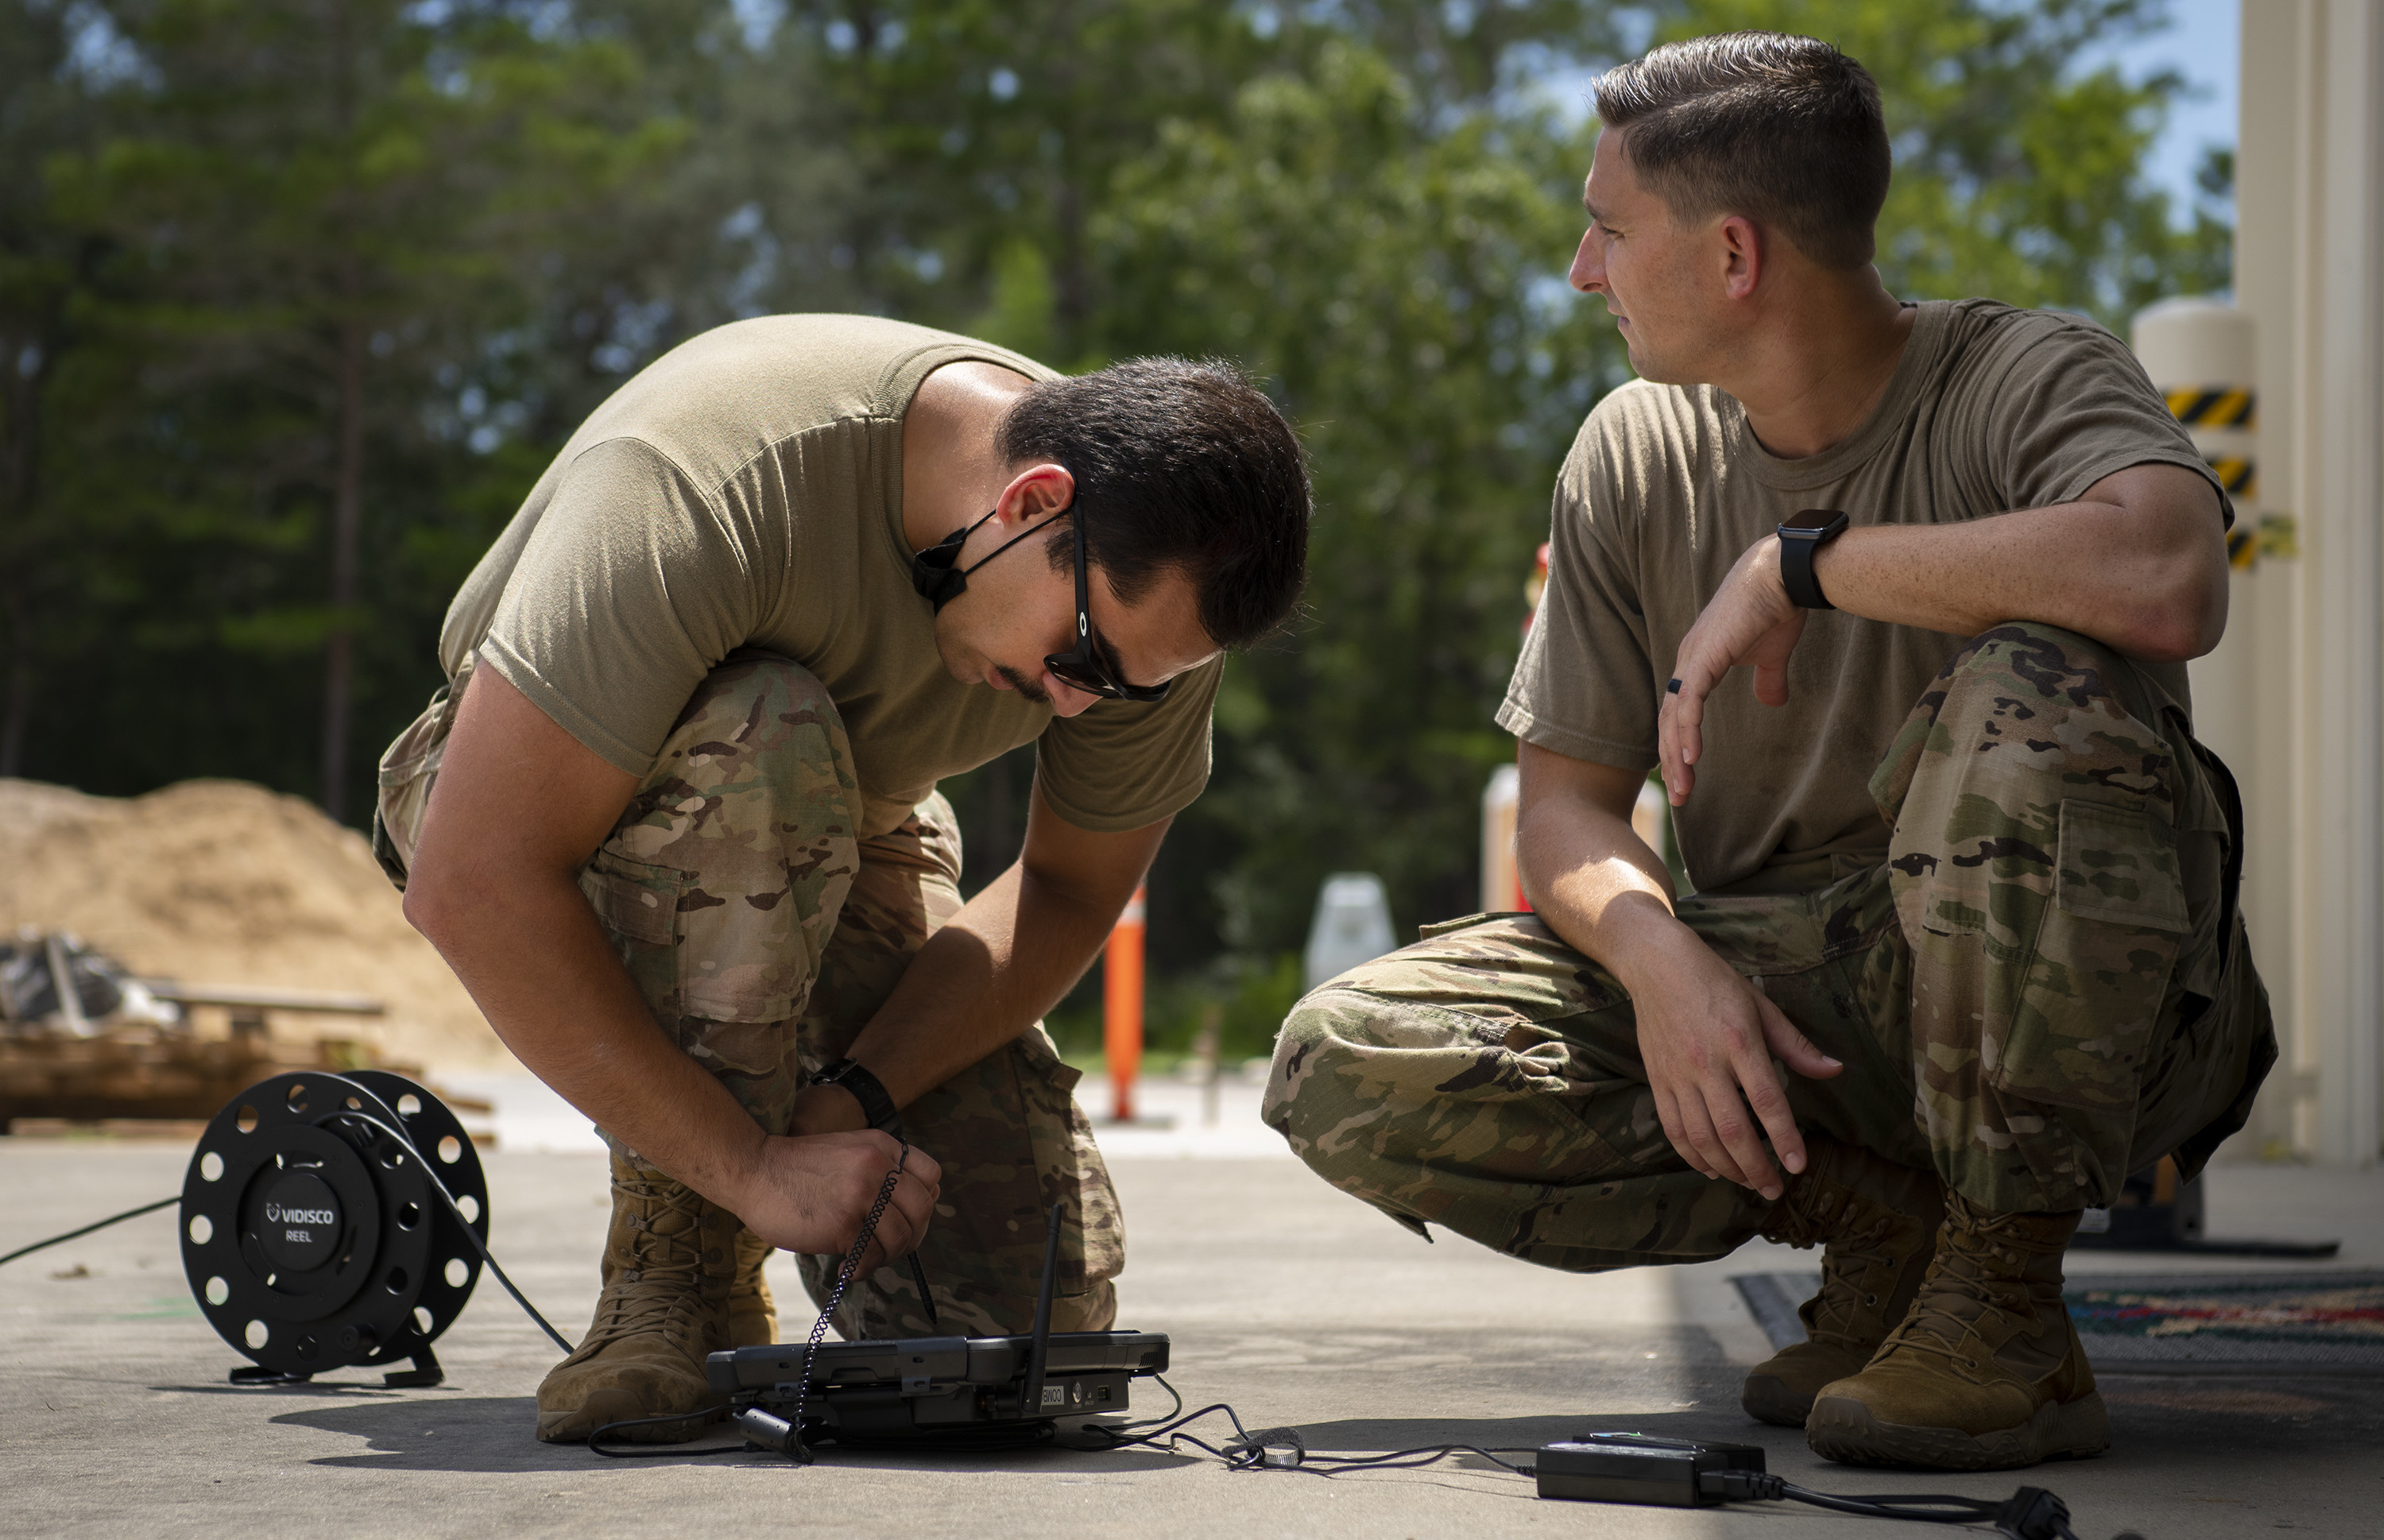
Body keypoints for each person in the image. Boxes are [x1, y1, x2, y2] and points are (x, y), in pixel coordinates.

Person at [1264, 33, 2270, 1472]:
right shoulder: (1632, 453)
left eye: (1610, 230)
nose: (1581, 270)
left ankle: (2004, 1300)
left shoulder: (2023, 373)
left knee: (2028, 695)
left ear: (1734, 254)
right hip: (1795, 997)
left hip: (2103, 1003)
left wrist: (1810, 565)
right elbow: (1564, 813)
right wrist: (1661, 964)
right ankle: (1883, 1232)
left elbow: (2171, 576)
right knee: (1349, 1056)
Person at [377, 315, 1309, 1441]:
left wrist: (852, 1098)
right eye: (1082, 662)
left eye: (1128, 688)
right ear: (1031, 506)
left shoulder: (1154, 602)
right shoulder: (706, 481)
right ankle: (680, 1267)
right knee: (769, 727)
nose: (1079, 703)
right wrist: (749, 1171)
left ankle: (754, 1214)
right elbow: (476, 876)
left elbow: (1066, 888)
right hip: (525, 789)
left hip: (854, 818)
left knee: (1017, 1324)